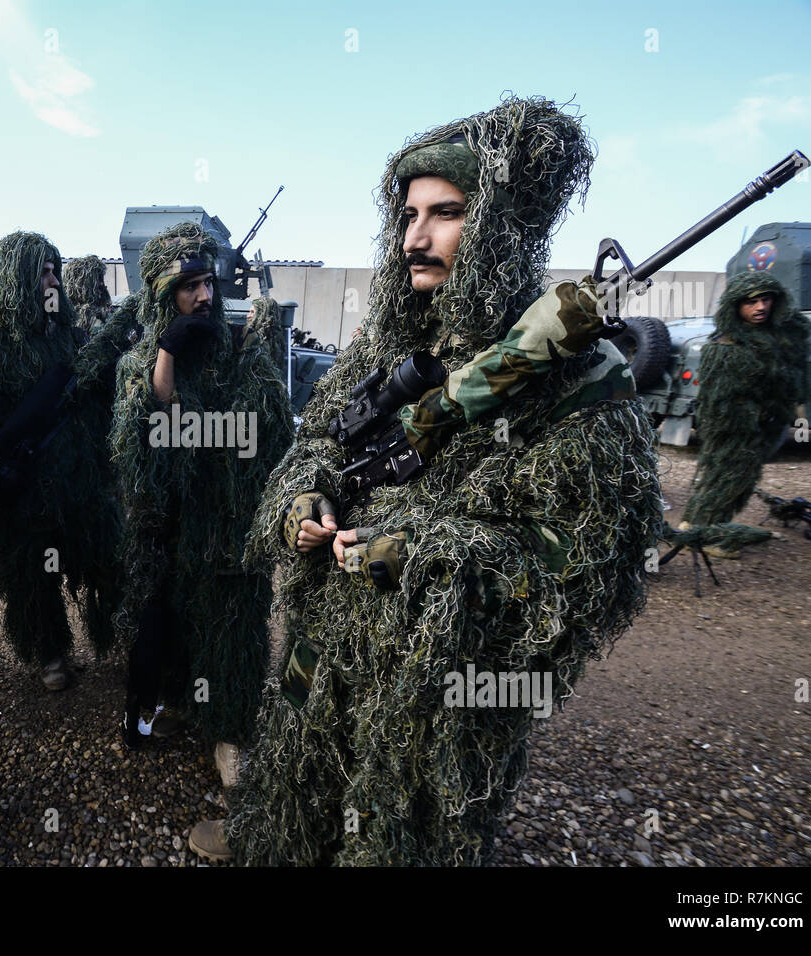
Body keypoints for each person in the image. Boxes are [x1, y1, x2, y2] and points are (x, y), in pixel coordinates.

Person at [190, 97, 663, 865]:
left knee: (400, 833)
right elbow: (314, 443)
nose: (414, 237)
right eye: (407, 214)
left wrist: (425, 555)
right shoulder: (395, 343)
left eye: (444, 213)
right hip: (326, 648)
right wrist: (304, 506)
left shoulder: (579, 379)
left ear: (500, 228)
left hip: (439, 692)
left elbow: (586, 568)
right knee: (295, 784)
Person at [109, 222, 293, 776]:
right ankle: (183, 701)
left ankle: (230, 732)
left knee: (231, 628)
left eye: (208, 283)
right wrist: (166, 354)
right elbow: (140, 449)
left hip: (226, 527)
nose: (206, 297)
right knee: (168, 622)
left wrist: (199, 430)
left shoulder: (238, 352)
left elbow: (263, 432)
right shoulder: (139, 363)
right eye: (189, 286)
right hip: (166, 529)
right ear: (164, 293)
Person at [0, 232, 121, 692]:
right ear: (12, 281)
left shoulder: (73, 342)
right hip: (25, 500)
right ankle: (49, 651)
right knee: (32, 581)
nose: (53, 280)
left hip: (83, 490)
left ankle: (123, 637)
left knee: (109, 565)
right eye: (42, 272)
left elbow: (101, 409)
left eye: (55, 269)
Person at [680, 272, 809, 545]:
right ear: (736, 306)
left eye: (765, 300)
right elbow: (718, 402)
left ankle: (699, 525)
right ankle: (708, 535)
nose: (760, 307)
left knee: (737, 481)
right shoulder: (726, 346)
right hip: (737, 429)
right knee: (727, 478)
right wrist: (744, 425)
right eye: (751, 302)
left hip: (763, 427)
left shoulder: (777, 337)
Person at [65, 254, 113, 334]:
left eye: (101, 279)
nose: (101, 284)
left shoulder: (105, 312)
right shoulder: (65, 316)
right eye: (96, 279)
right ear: (81, 284)